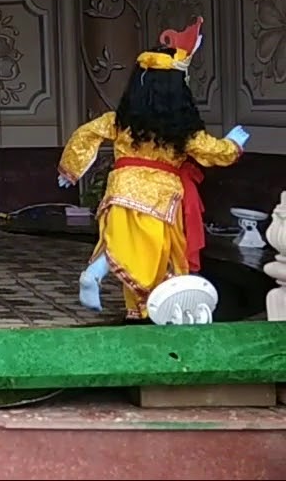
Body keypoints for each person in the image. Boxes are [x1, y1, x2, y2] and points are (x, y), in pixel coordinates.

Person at [57, 17, 246, 319]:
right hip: (159, 199)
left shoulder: (120, 120)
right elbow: (215, 152)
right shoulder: (182, 130)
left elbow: (86, 133)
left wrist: (71, 168)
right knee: (155, 256)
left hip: (120, 191)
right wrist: (234, 143)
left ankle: (96, 275)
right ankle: (152, 310)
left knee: (119, 244)